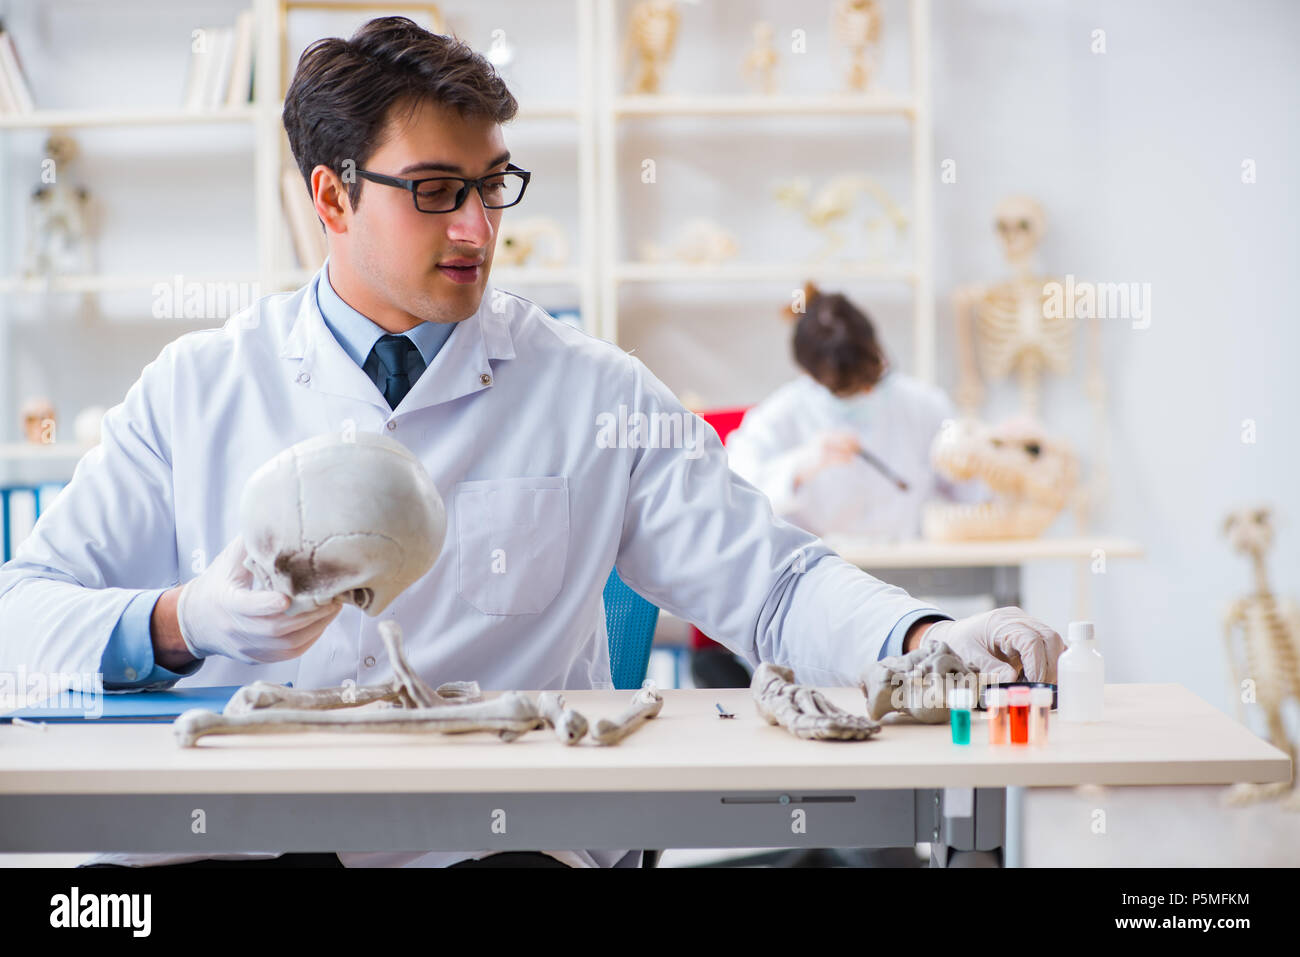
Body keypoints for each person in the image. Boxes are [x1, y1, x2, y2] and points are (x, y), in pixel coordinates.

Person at [0, 18, 1061, 869]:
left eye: (492, 185)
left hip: (495, 847)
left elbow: (773, 588)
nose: (476, 227)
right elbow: (19, 622)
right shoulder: (199, 388)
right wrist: (184, 620)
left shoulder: (589, 391)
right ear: (329, 195)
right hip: (250, 838)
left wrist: (923, 640)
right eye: (434, 192)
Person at [727, 284, 987, 542]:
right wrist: (800, 465)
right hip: (821, 573)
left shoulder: (924, 405)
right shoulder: (779, 415)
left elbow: (973, 490)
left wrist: (998, 450)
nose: (867, 394)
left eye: (871, 380)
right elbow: (737, 492)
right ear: (809, 375)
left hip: (911, 564)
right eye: (847, 390)